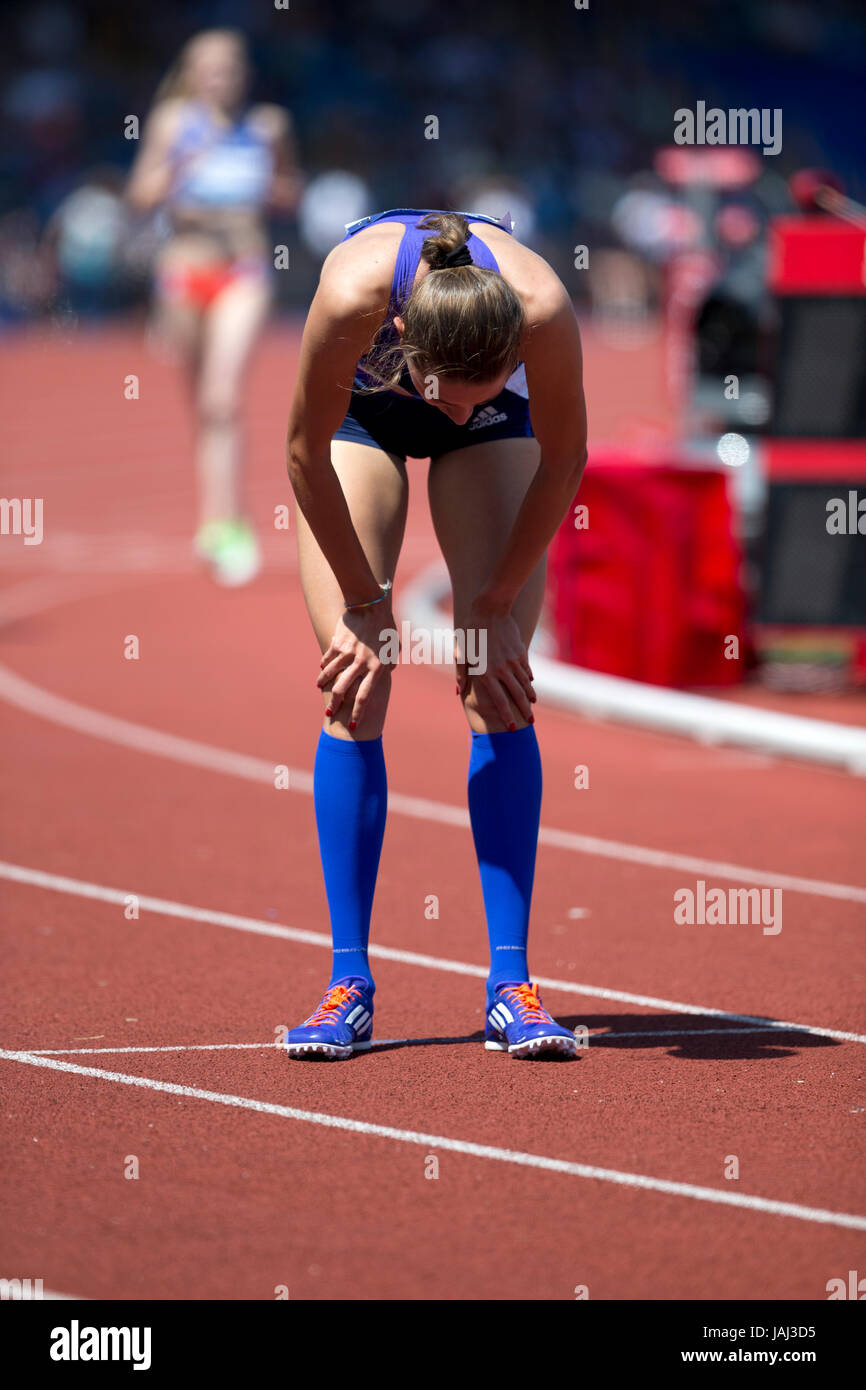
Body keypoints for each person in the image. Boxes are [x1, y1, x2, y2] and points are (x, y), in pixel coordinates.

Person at [285, 209, 587, 1059]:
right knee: (358, 678)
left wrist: (490, 602)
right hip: (362, 420)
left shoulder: (541, 305)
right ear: (409, 350)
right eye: (448, 401)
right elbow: (304, 455)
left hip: (502, 437)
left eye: (477, 399)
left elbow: (564, 459)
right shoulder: (351, 295)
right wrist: (365, 600)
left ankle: (512, 984)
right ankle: (348, 983)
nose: (453, 420)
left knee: (494, 677)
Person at [127, 28, 301, 584]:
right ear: (194, 74)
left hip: (244, 270)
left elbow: (291, 190)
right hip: (184, 269)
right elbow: (139, 196)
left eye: (230, 70)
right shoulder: (174, 123)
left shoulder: (268, 125)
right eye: (211, 71)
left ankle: (232, 525)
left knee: (223, 398)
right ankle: (213, 518)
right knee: (202, 404)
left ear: (242, 74)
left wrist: (274, 184)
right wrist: (181, 165)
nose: (221, 80)